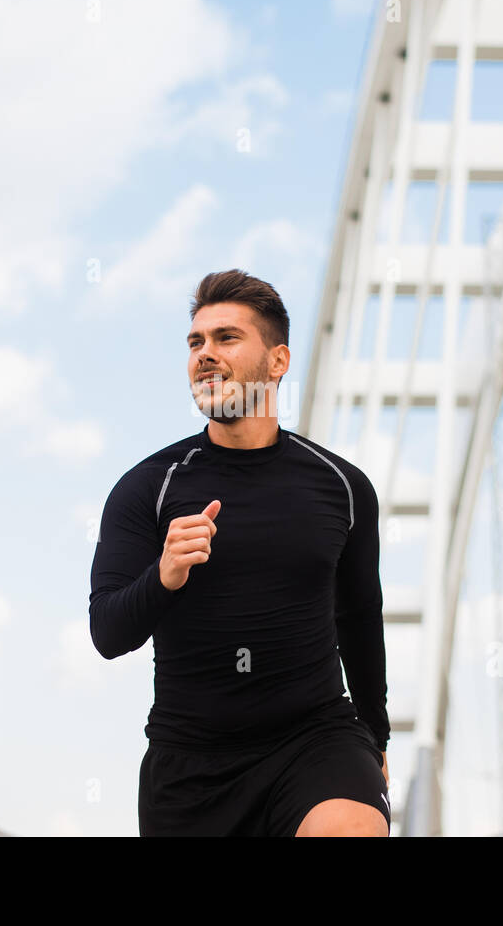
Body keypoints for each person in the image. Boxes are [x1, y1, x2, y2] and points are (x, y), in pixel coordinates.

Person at [89, 268, 391, 836]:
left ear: (278, 362)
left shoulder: (343, 486)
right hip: (191, 766)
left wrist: (374, 737)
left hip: (316, 742)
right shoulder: (147, 487)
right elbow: (107, 633)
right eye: (196, 342)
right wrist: (165, 574)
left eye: (227, 338)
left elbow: (358, 618)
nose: (206, 353)